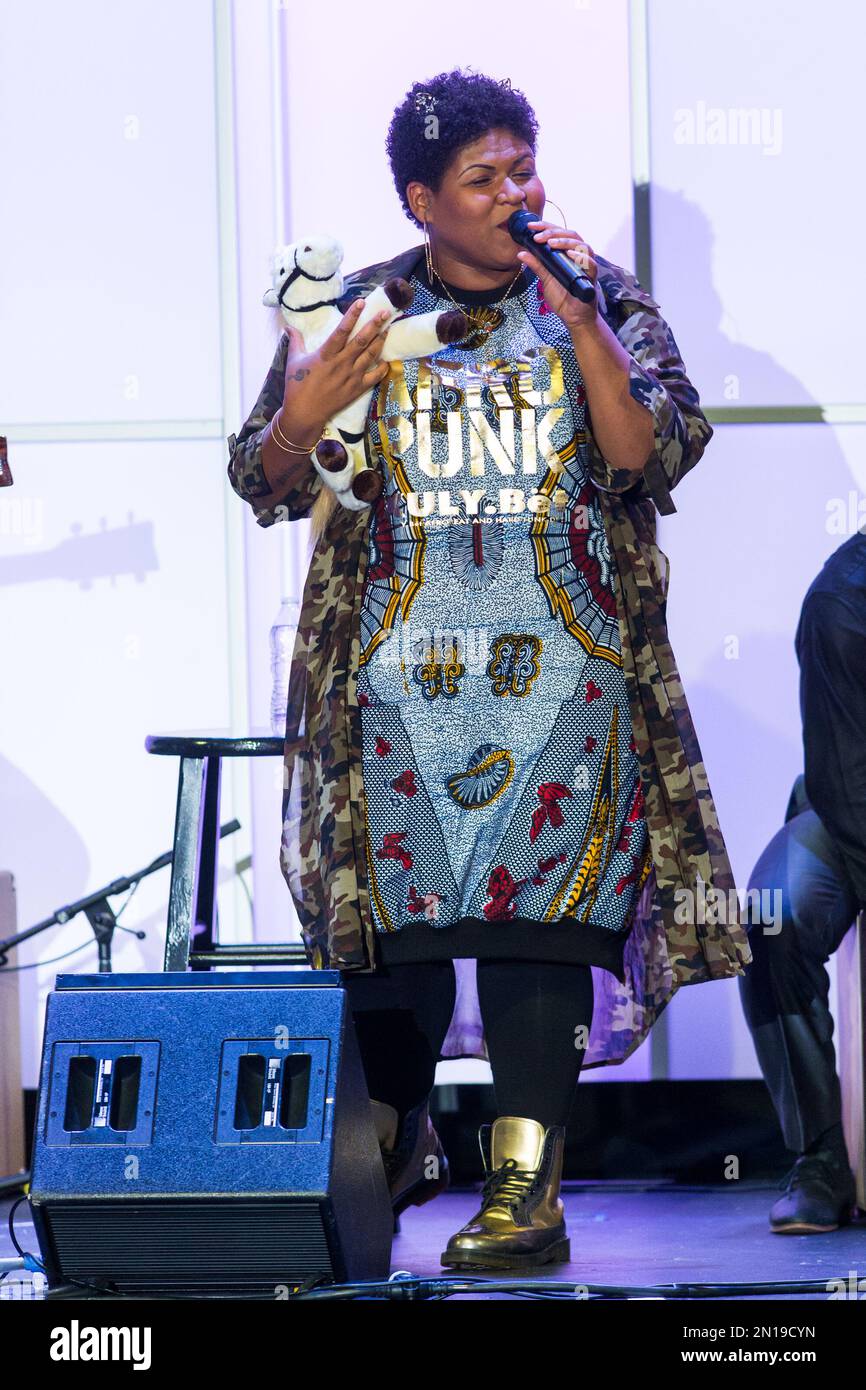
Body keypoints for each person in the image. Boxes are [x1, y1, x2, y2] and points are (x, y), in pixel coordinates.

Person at [227, 68, 751, 1270]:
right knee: (396, 946)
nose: (516, 195)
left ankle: (527, 1195)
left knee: (539, 936)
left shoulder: (601, 302)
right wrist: (308, 406)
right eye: (484, 178)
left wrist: (580, 326)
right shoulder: (357, 315)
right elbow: (262, 481)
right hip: (394, 694)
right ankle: (385, 1159)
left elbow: (648, 454)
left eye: (525, 168)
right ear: (422, 200)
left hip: (564, 687)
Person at [739, 532, 866, 1233]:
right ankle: (819, 1155)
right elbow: (849, 783)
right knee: (770, 917)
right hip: (847, 810)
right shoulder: (842, 599)